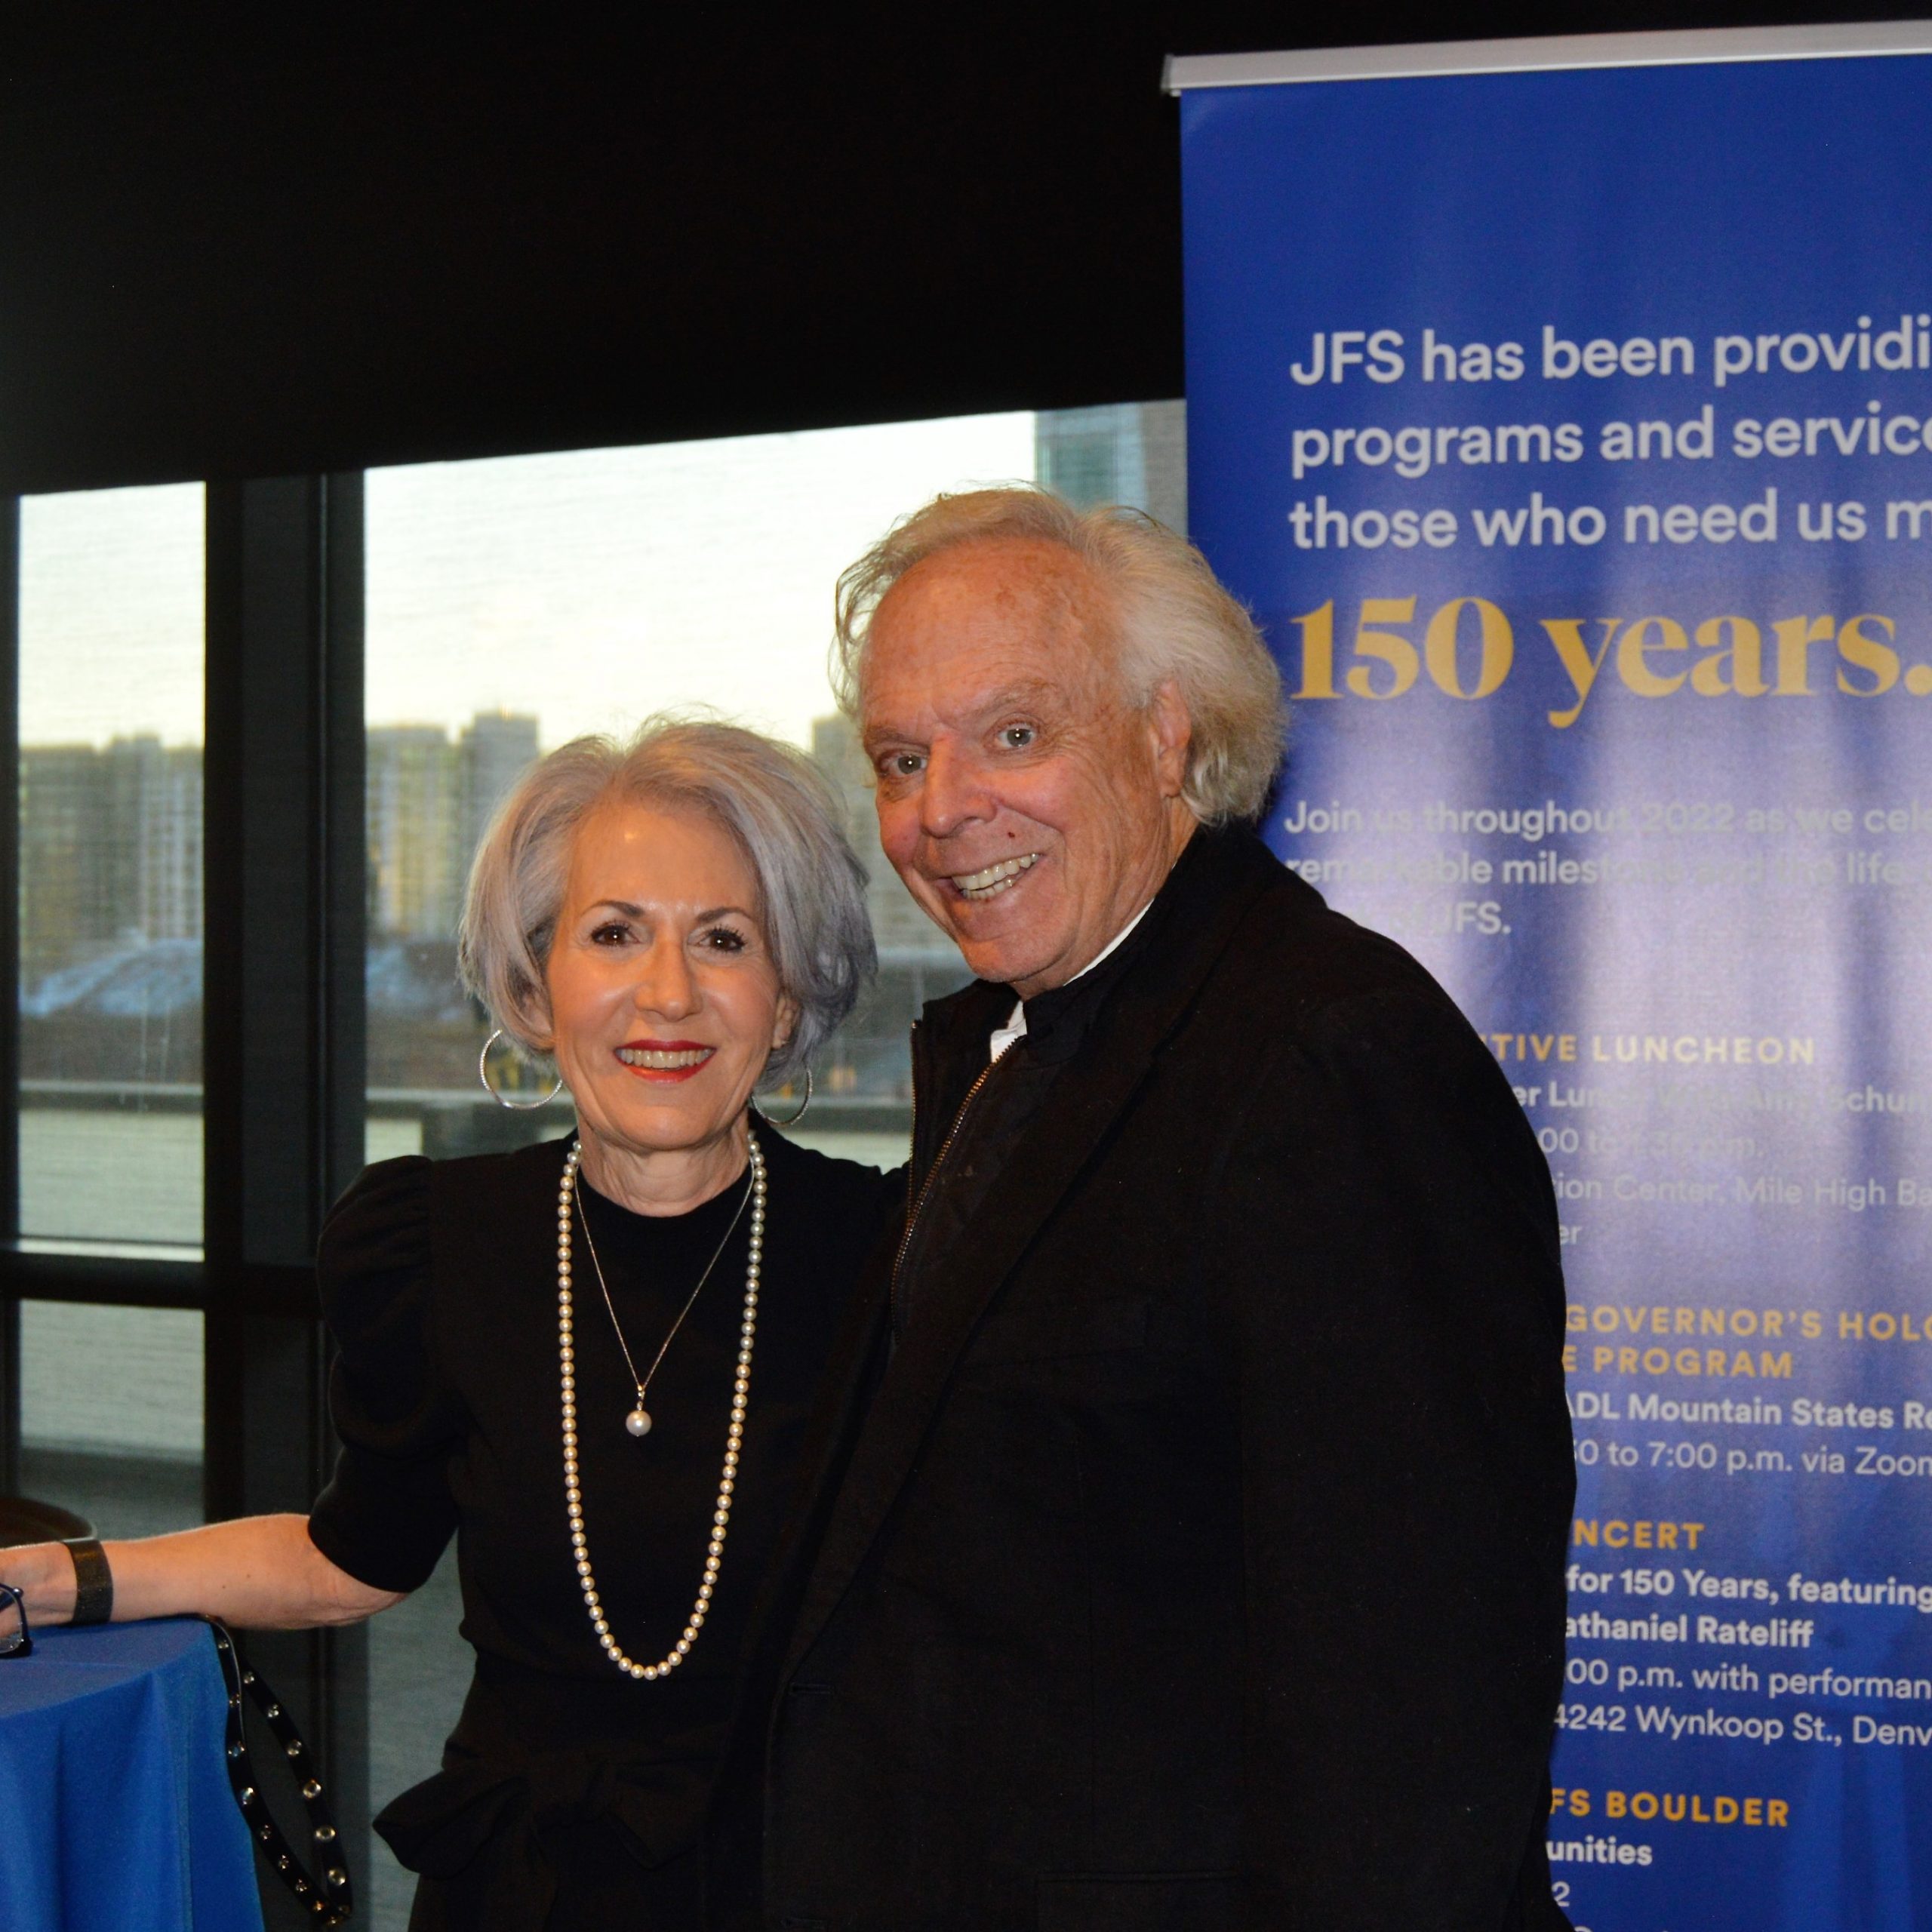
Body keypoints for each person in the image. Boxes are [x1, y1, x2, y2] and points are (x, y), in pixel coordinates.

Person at [716, 490, 1576, 1930]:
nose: (942, 810)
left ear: (1172, 736)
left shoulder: (1327, 1056)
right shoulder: (1017, 1043)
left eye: (1014, 734)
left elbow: (1414, 1707)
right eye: (900, 758)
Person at [2, 720, 897, 1931]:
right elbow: (350, 1557)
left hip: (808, 1878)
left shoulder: (890, 1252)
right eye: (615, 933)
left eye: (726, 940)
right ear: (534, 990)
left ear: (787, 1002)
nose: (670, 992)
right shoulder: (435, 1242)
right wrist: (54, 1582)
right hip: (516, 1886)